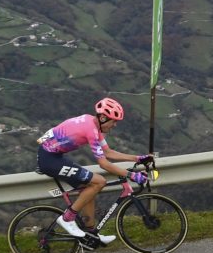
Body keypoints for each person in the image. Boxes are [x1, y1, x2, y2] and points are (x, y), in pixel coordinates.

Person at [36, 97, 153, 245]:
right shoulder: (90, 129)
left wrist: (137, 158)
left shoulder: (93, 124)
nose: (115, 125)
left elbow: (108, 152)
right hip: (49, 160)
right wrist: (131, 175)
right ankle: (67, 219)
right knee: (99, 181)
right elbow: (104, 164)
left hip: (54, 156)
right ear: (103, 118)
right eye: (113, 121)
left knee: (89, 188)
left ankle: (90, 234)